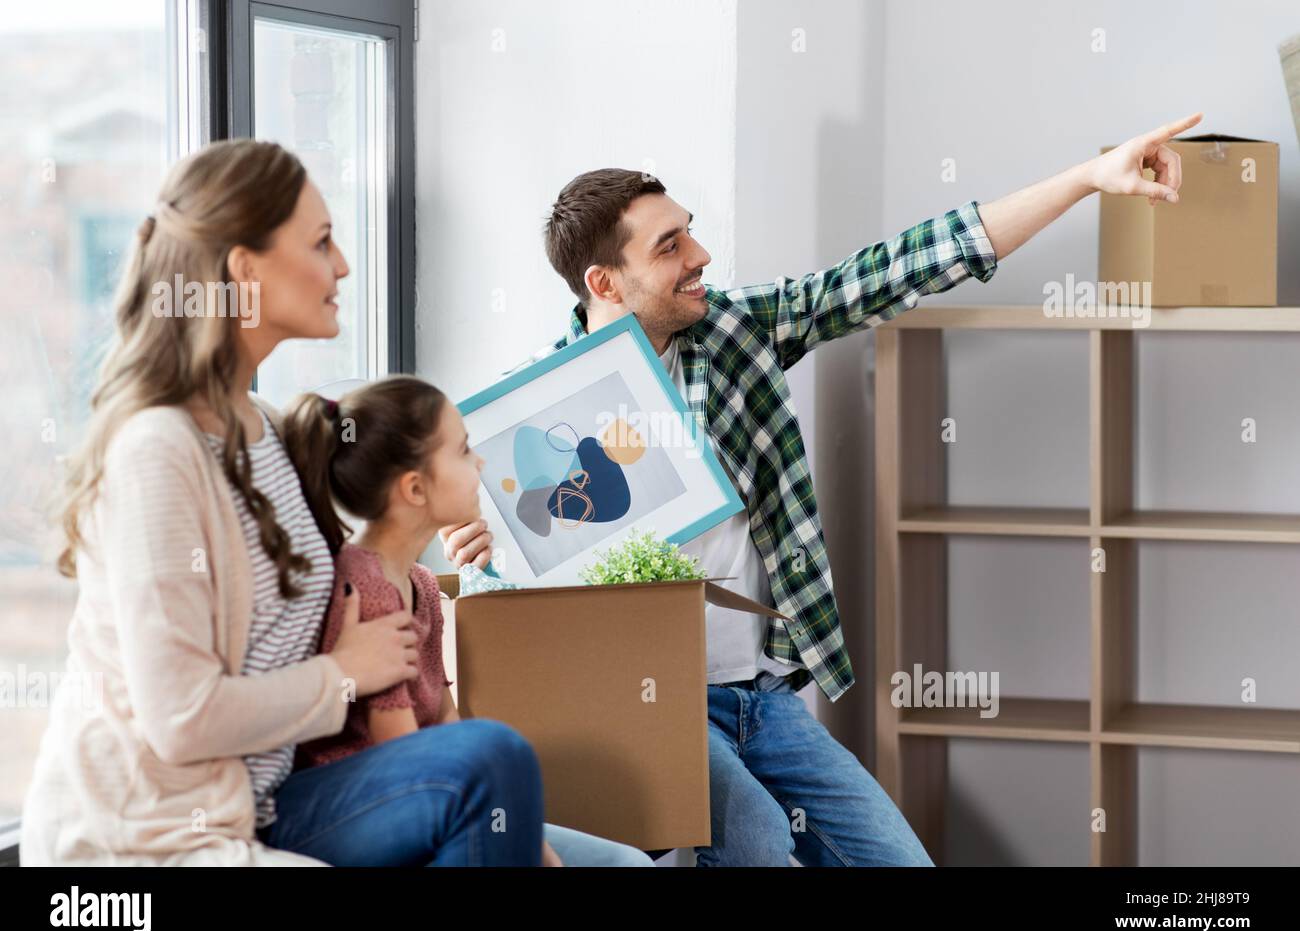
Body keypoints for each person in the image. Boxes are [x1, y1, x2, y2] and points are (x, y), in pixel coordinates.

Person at [439, 113, 1205, 865]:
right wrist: (476, 541)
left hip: (763, 695)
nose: (700, 254)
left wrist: (1085, 180)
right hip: (652, 701)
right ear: (604, 280)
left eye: (691, 231)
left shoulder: (737, 332)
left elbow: (897, 267)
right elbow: (490, 594)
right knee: (761, 845)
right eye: (670, 246)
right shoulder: (522, 419)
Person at [21, 139, 542, 866]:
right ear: (245, 269)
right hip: (148, 842)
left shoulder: (263, 427)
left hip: (263, 806)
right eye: (322, 242)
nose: (344, 266)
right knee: (490, 758)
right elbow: (181, 717)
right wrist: (342, 676)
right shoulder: (158, 453)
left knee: (596, 849)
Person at [270, 375, 654, 866]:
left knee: (630, 864)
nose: (481, 463)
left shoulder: (423, 584)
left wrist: (541, 852)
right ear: (414, 487)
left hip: (426, 784)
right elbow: (412, 761)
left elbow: (445, 721)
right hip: (377, 805)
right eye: (464, 450)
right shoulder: (364, 585)